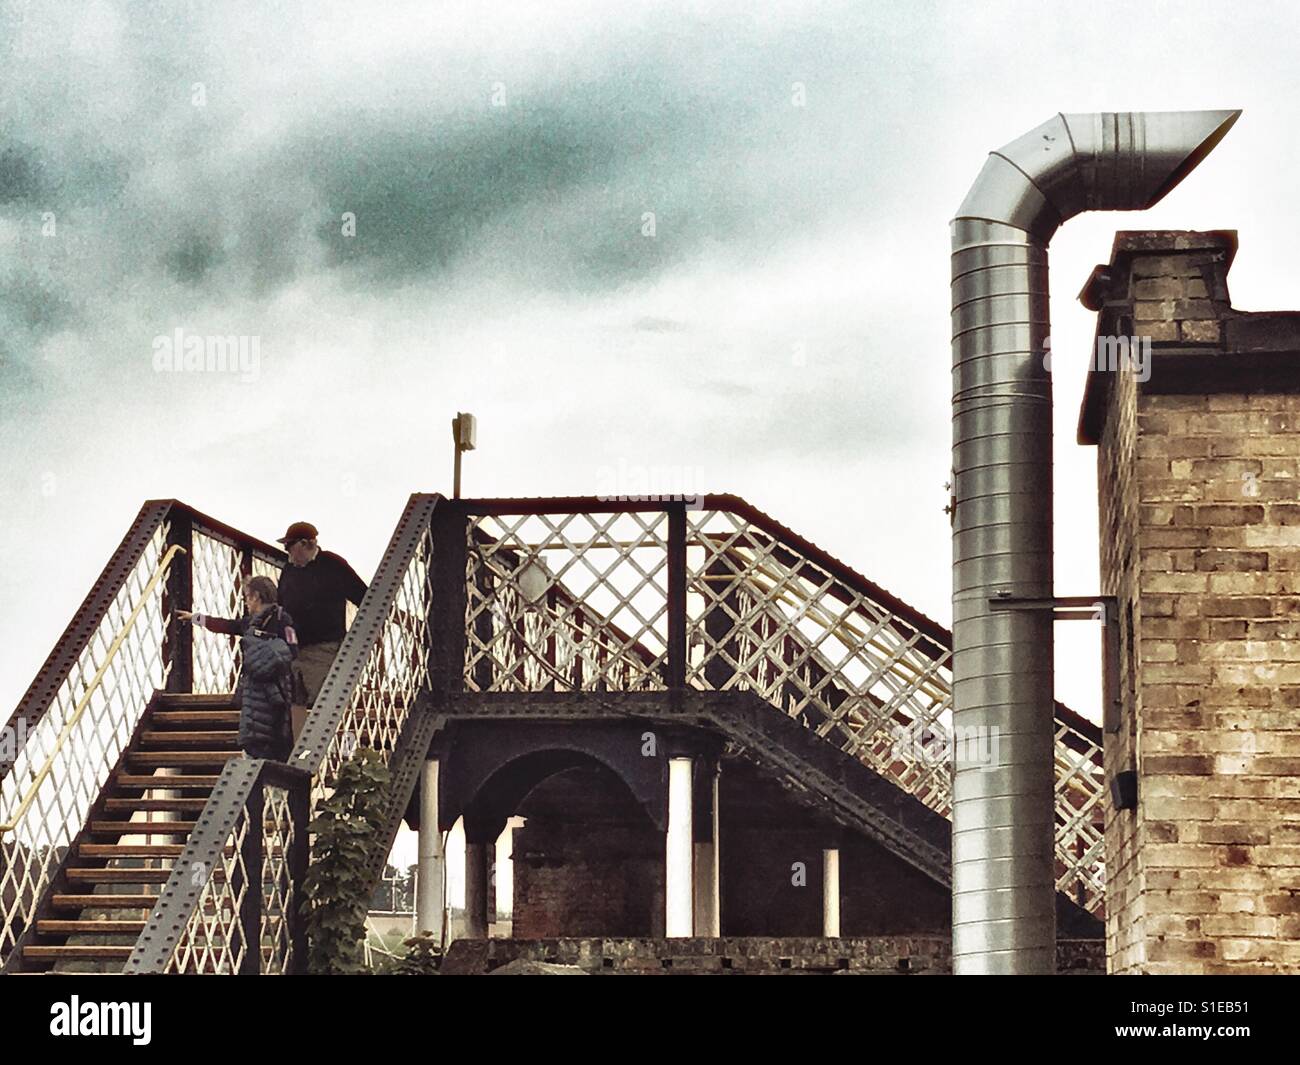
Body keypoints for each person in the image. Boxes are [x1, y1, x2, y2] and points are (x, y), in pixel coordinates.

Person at [177, 575, 298, 761]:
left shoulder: (253, 623)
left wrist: (196, 619)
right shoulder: (283, 620)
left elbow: (226, 626)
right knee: (275, 741)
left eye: (247, 597)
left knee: (256, 747)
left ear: (256, 596)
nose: (246, 602)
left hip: (258, 693)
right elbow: (292, 649)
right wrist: (197, 618)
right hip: (277, 692)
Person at [274, 521, 368, 739]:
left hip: (323, 648)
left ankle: (321, 753)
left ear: (306, 544)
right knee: (295, 701)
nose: (287, 552)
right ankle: (299, 754)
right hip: (294, 649)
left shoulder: (333, 565)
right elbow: (280, 604)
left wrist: (355, 640)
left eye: (290, 546)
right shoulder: (289, 570)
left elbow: (364, 597)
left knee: (319, 701)